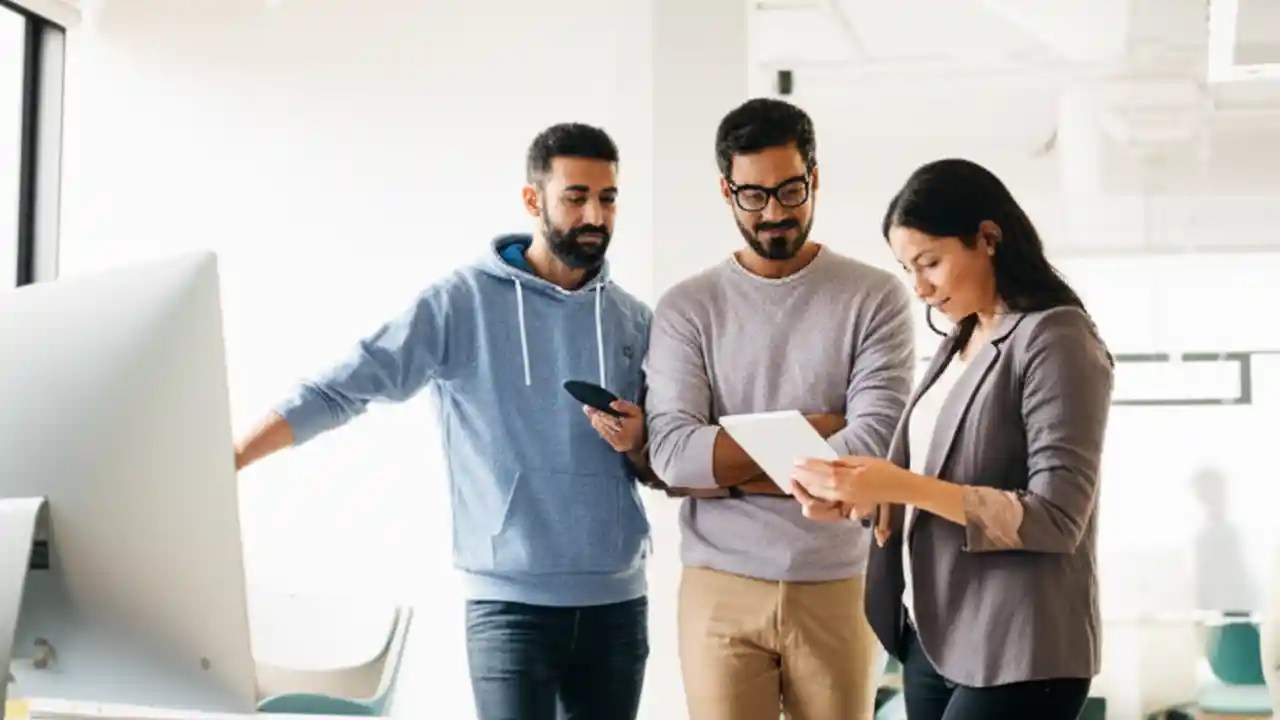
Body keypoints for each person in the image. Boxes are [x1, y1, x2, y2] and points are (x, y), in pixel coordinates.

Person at [234, 123, 657, 720]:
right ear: (533, 200)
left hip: (617, 603)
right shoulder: (461, 304)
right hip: (509, 607)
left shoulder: (633, 320)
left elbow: (663, 455)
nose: (595, 214)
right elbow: (341, 387)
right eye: (576, 196)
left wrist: (640, 443)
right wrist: (230, 459)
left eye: (608, 198)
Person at [791, 158, 1114, 720]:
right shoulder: (960, 343)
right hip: (936, 637)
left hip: (1021, 647)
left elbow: (1059, 517)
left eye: (930, 263)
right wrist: (870, 499)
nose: (918, 287)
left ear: (988, 238)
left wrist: (903, 485)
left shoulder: (1055, 338)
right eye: (906, 268)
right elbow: (940, 483)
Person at [644, 97, 915, 720]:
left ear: (814, 177)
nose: (774, 213)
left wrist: (727, 476)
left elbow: (872, 442)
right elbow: (675, 457)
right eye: (754, 196)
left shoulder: (875, 298)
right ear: (726, 190)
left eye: (791, 191)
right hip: (720, 587)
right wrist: (819, 430)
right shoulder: (688, 307)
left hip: (840, 583)